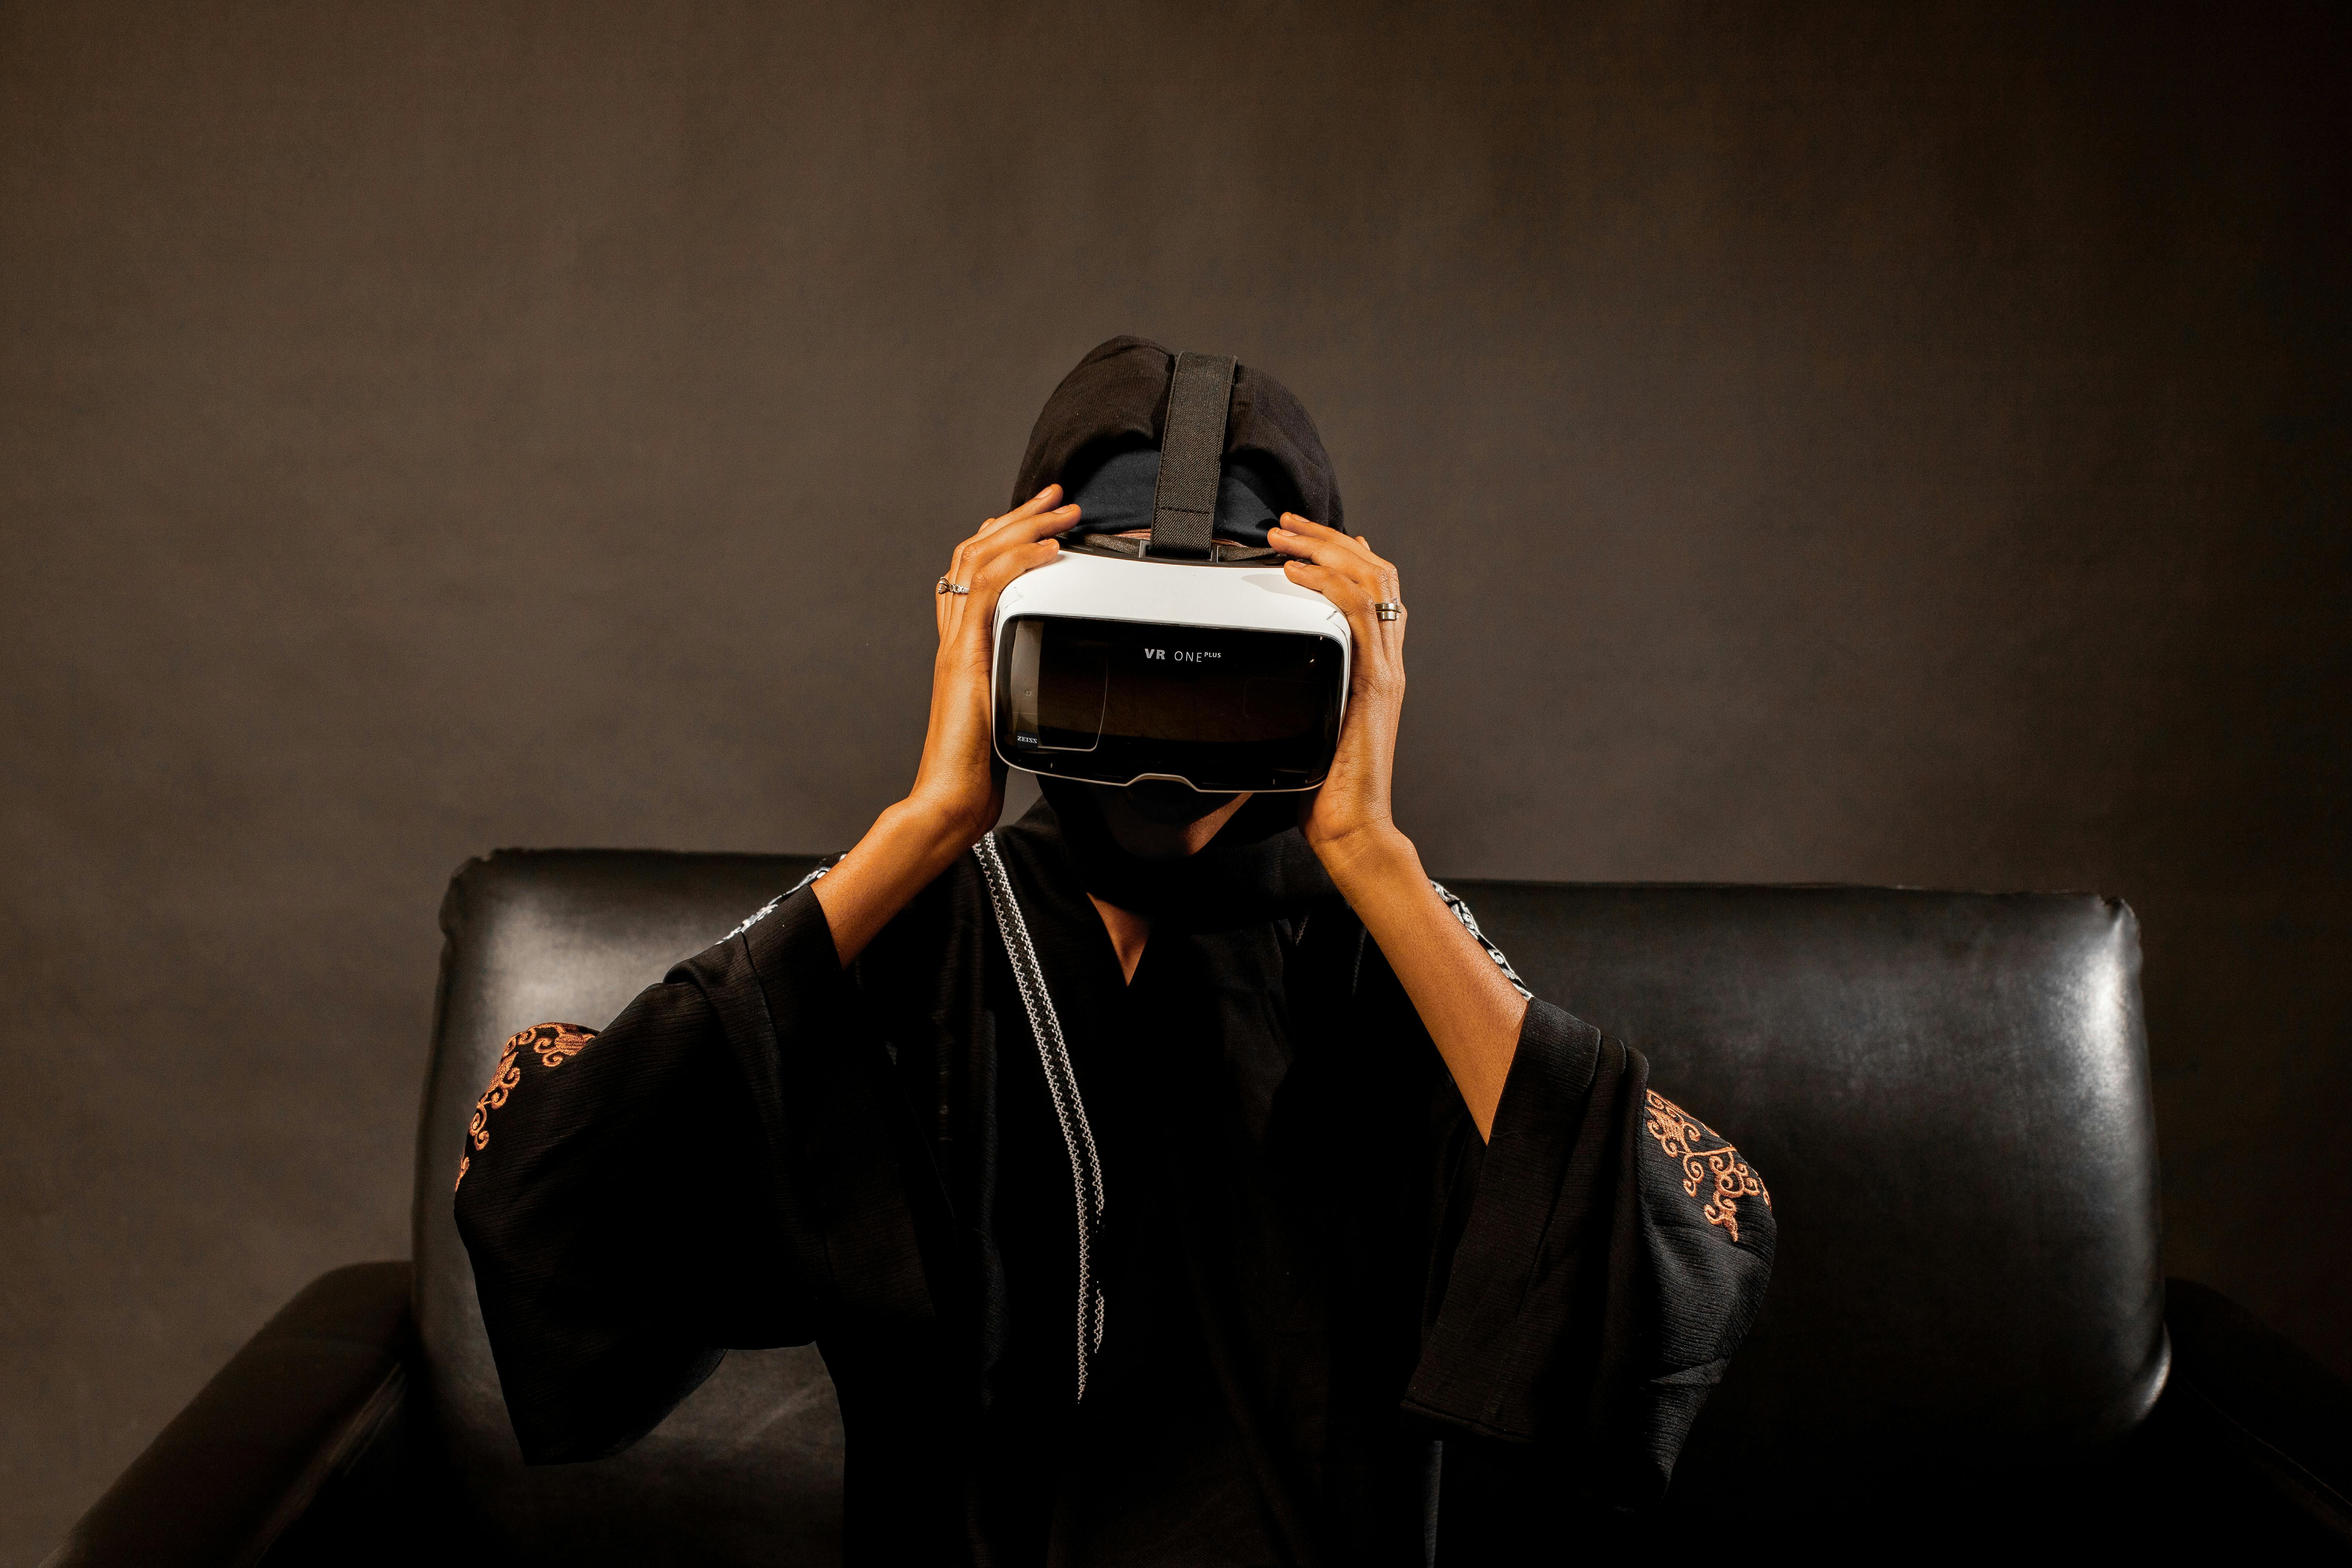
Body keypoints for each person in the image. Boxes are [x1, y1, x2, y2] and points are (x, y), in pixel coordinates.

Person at [455, 337, 1774, 1565]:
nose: (1169, 697)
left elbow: (1686, 1261)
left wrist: (1375, 856)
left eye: (1224, 644)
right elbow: (556, 1202)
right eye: (1122, 626)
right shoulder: (925, 933)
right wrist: (923, 826)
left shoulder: (1385, 956)